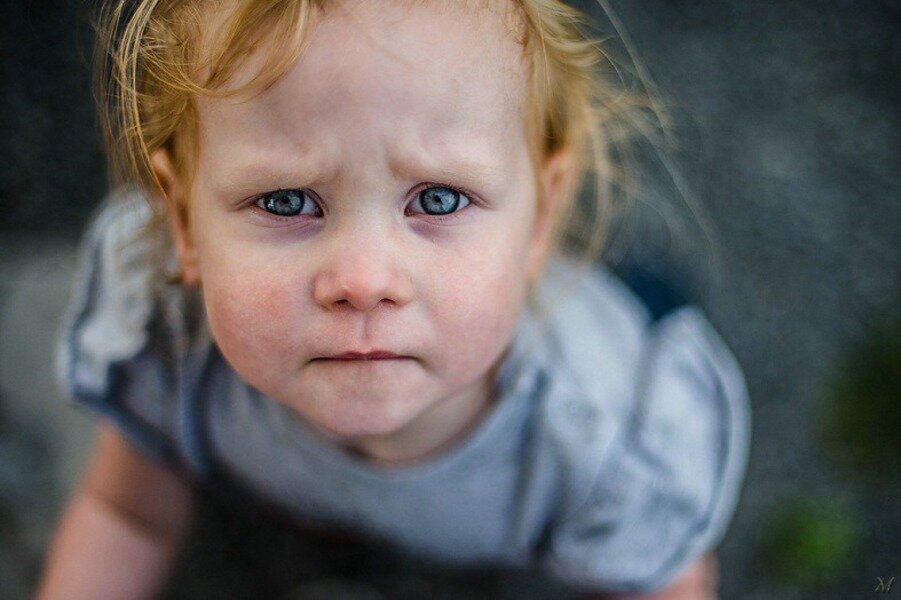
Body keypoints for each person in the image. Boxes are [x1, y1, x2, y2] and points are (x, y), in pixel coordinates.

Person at [37, 0, 750, 597]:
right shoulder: (171, 351)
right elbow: (127, 515)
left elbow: (660, 580)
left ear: (540, 218)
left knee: (647, 290)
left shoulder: (597, 440)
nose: (363, 279)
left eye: (437, 199)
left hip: (604, 324)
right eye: (287, 201)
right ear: (183, 220)